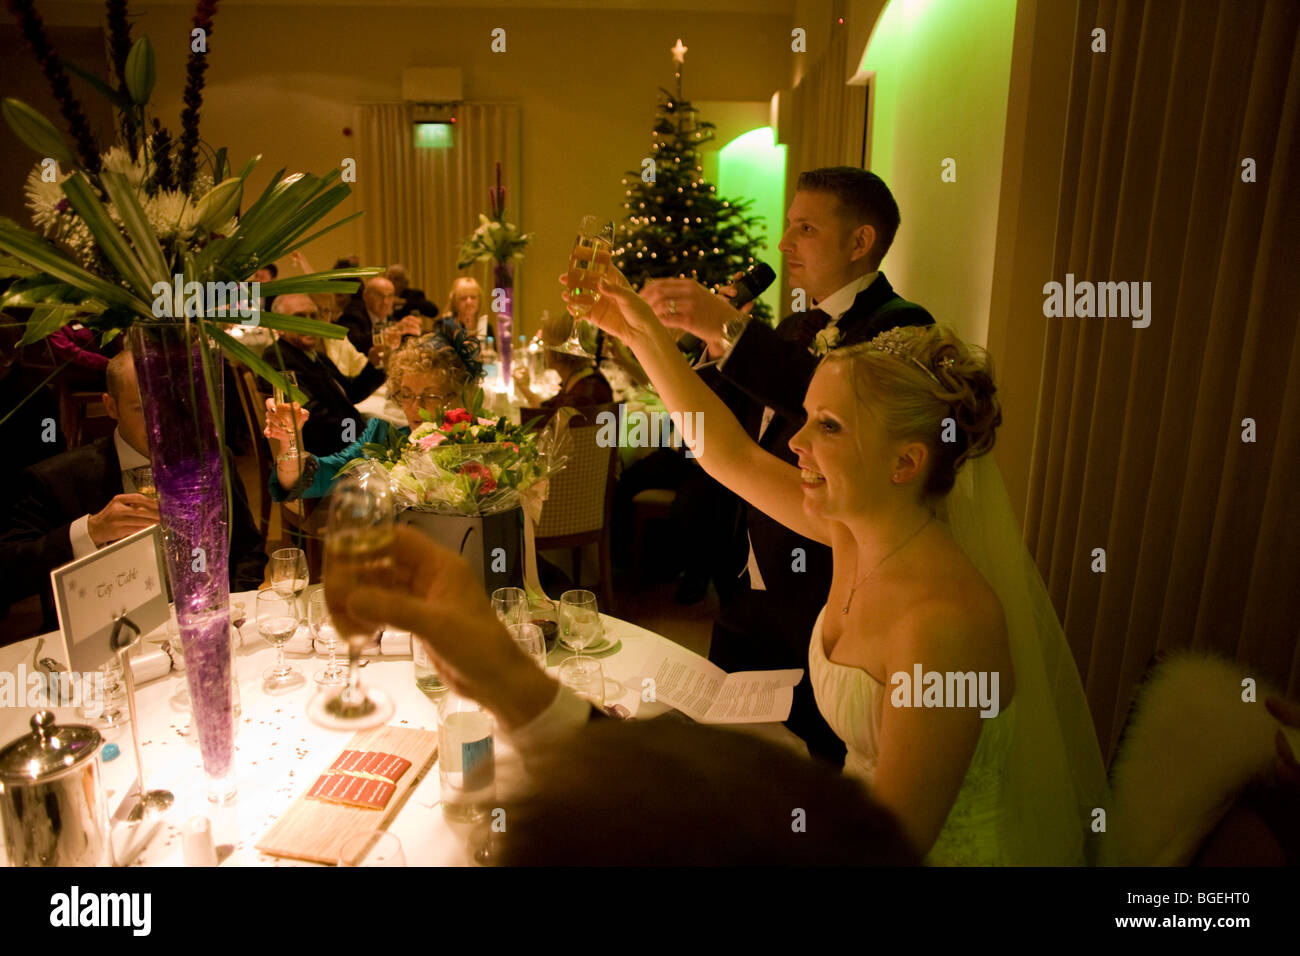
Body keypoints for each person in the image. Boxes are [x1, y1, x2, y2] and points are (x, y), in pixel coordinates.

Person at [556, 272, 1106, 863]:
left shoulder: (944, 626)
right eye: (808, 416)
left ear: (906, 462)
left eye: (829, 427)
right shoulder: (853, 536)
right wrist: (640, 332)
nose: (797, 443)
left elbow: (894, 847)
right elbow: (727, 453)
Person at [632, 169, 936, 764]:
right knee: (731, 757)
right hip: (745, 582)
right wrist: (695, 349)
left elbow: (830, 404)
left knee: (813, 766)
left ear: (860, 242)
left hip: (819, 592)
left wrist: (730, 329)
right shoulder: (796, 327)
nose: (784, 243)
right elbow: (730, 431)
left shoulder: (901, 327)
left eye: (806, 228)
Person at [0, 349, 268, 637]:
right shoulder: (57, 479)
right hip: (110, 644)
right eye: (142, 409)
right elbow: (9, 573)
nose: (161, 424)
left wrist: (235, 612)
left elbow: (246, 550)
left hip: (208, 632)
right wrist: (89, 532)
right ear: (111, 407)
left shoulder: (212, 460)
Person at [266, 336, 477, 501]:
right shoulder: (382, 439)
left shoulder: (473, 445)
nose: (415, 407)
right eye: (405, 394)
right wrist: (289, 442)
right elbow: (312, 479)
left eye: (430, 396)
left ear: (456, 396)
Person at [263, 294, 386, 457]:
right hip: (324, 455)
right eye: (299, 317)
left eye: (313, 316)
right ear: (279, 326)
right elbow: (312, 418)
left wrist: (375, 364)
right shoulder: (277, 357)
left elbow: (351, 393)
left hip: (344, 441)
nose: (310, 322)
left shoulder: (316, 356)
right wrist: (360, 436)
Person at [512, 310, 613, 411]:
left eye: (545, 344)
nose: (543, 351)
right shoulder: (578, 379)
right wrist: (524, 388)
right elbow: (546, 410)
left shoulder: (581, 397)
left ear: (558, 352)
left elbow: (548, 418)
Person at [339, 276, 419, 356]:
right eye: (380, 295)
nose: (385, 301)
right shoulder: (351, 317)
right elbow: (357, 343)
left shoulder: (394, 320)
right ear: (365, 296)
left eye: (390, 296)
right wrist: (390, 332)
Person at [443, 277, 493, 341]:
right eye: (463, 298)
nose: (469, 302)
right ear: (455, 302)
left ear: (479, 301)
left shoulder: (487, 327)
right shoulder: (446, 327)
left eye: (473, 297)